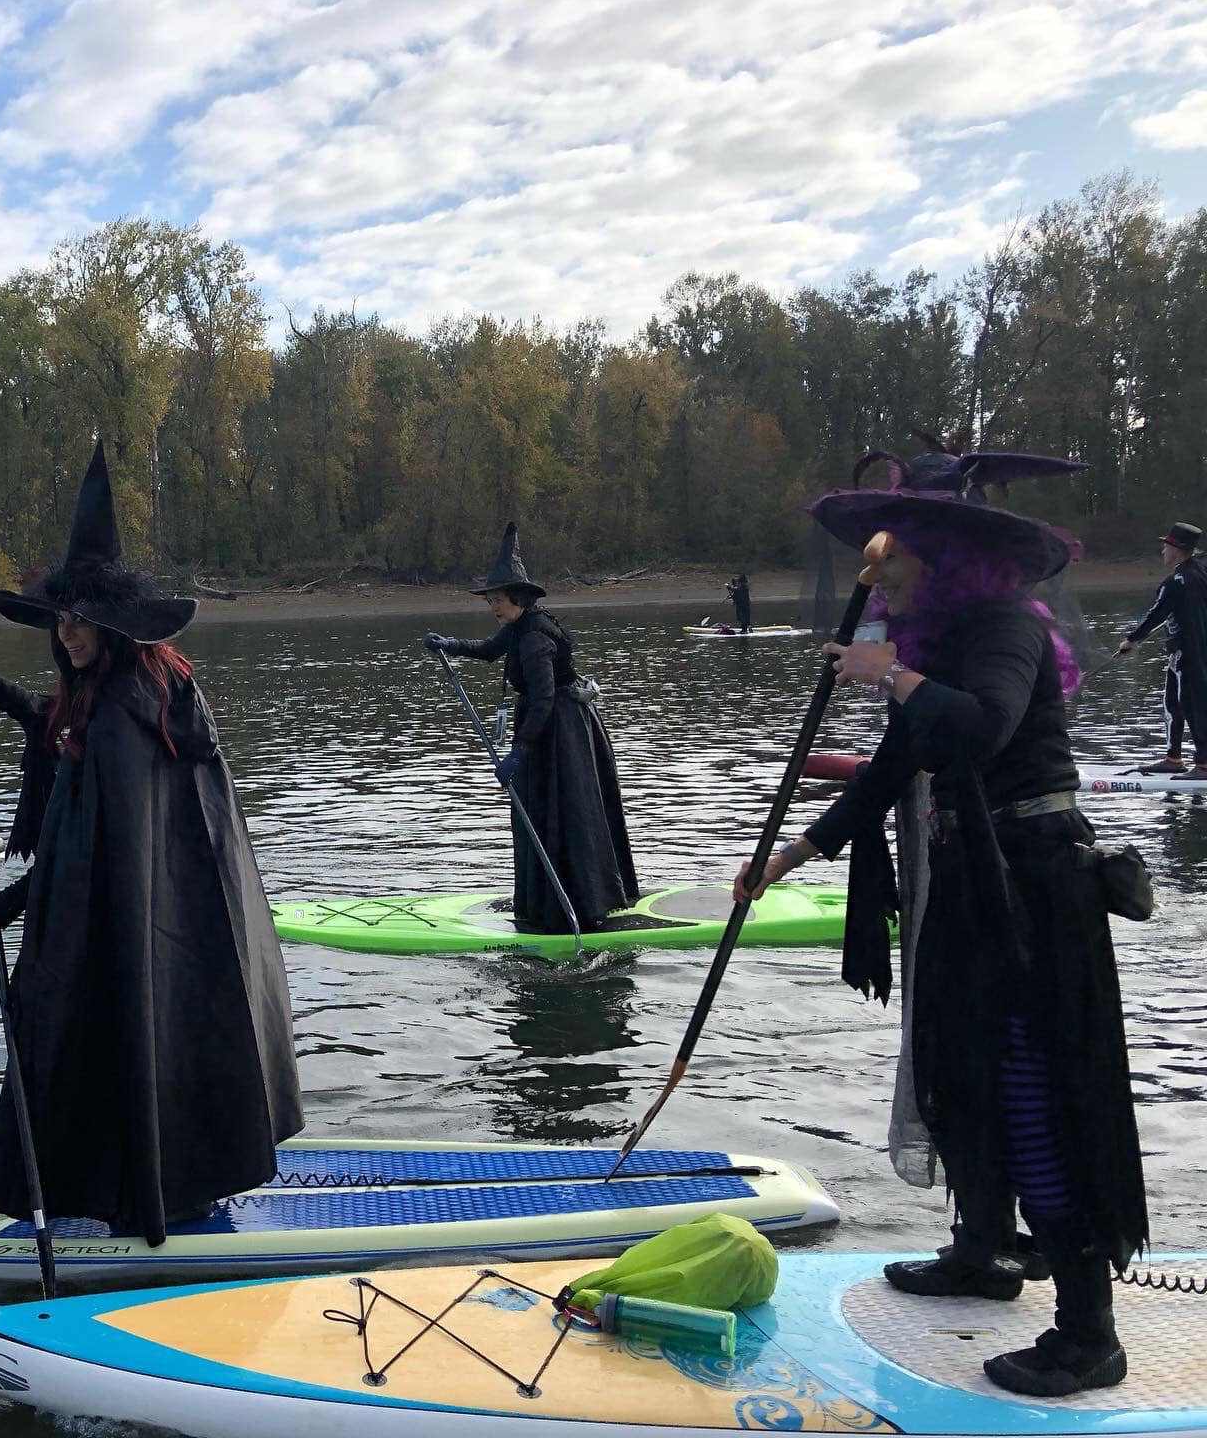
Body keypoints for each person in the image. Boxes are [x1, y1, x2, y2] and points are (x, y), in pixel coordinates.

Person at [736, 455, 1147, 1398]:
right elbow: (891, 772)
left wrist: (896, 674)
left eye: (898, 553)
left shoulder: (1005, 628)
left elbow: (984, 729)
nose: (882, 572)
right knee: (967, 1077)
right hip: (978, 888)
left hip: (1037, 893)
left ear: (945, 557)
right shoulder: (946, 637)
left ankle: (1089, 1332)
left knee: (1036, 1089)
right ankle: (985, 1252)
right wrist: (786, 859)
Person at [0, 442, 303, 1246]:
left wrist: (14, 899)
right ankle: (169, 1179)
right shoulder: (154, 690)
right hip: (176, 926)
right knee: (155, 1020)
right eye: (61, 618)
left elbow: (95, 847)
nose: (67, 634)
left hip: (130, 926)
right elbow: (88, 836)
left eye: (81, 620)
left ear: (113, 627)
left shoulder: (122, 714)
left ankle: (141, 1190)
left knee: (94, 1020)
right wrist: (25, 896)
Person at [423, 522, 638, 934]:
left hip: (559, 733)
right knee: (541, 814)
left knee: (563, 813)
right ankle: (546, 902)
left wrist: (518, 752)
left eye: (498, 600)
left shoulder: (536, 638)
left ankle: (576, 904)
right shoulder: (521, 626)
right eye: (490, 601)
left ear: (518, 598)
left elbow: (541, 700)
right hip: (547, 727)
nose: (493, 607)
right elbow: (489, 651)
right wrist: (450, 644)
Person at [1117, 521, 1207, 776]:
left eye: (1166, 547)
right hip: (1188, 653)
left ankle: (1203, 764)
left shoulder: (1176, 582)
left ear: (1178, 549)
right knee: (1173, 703)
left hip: (1187, 653)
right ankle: (1173, 758)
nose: (1162, 552)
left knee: (1192, 705)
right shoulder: (1200, 574)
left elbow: (1155, 614)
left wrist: (1132, 639)